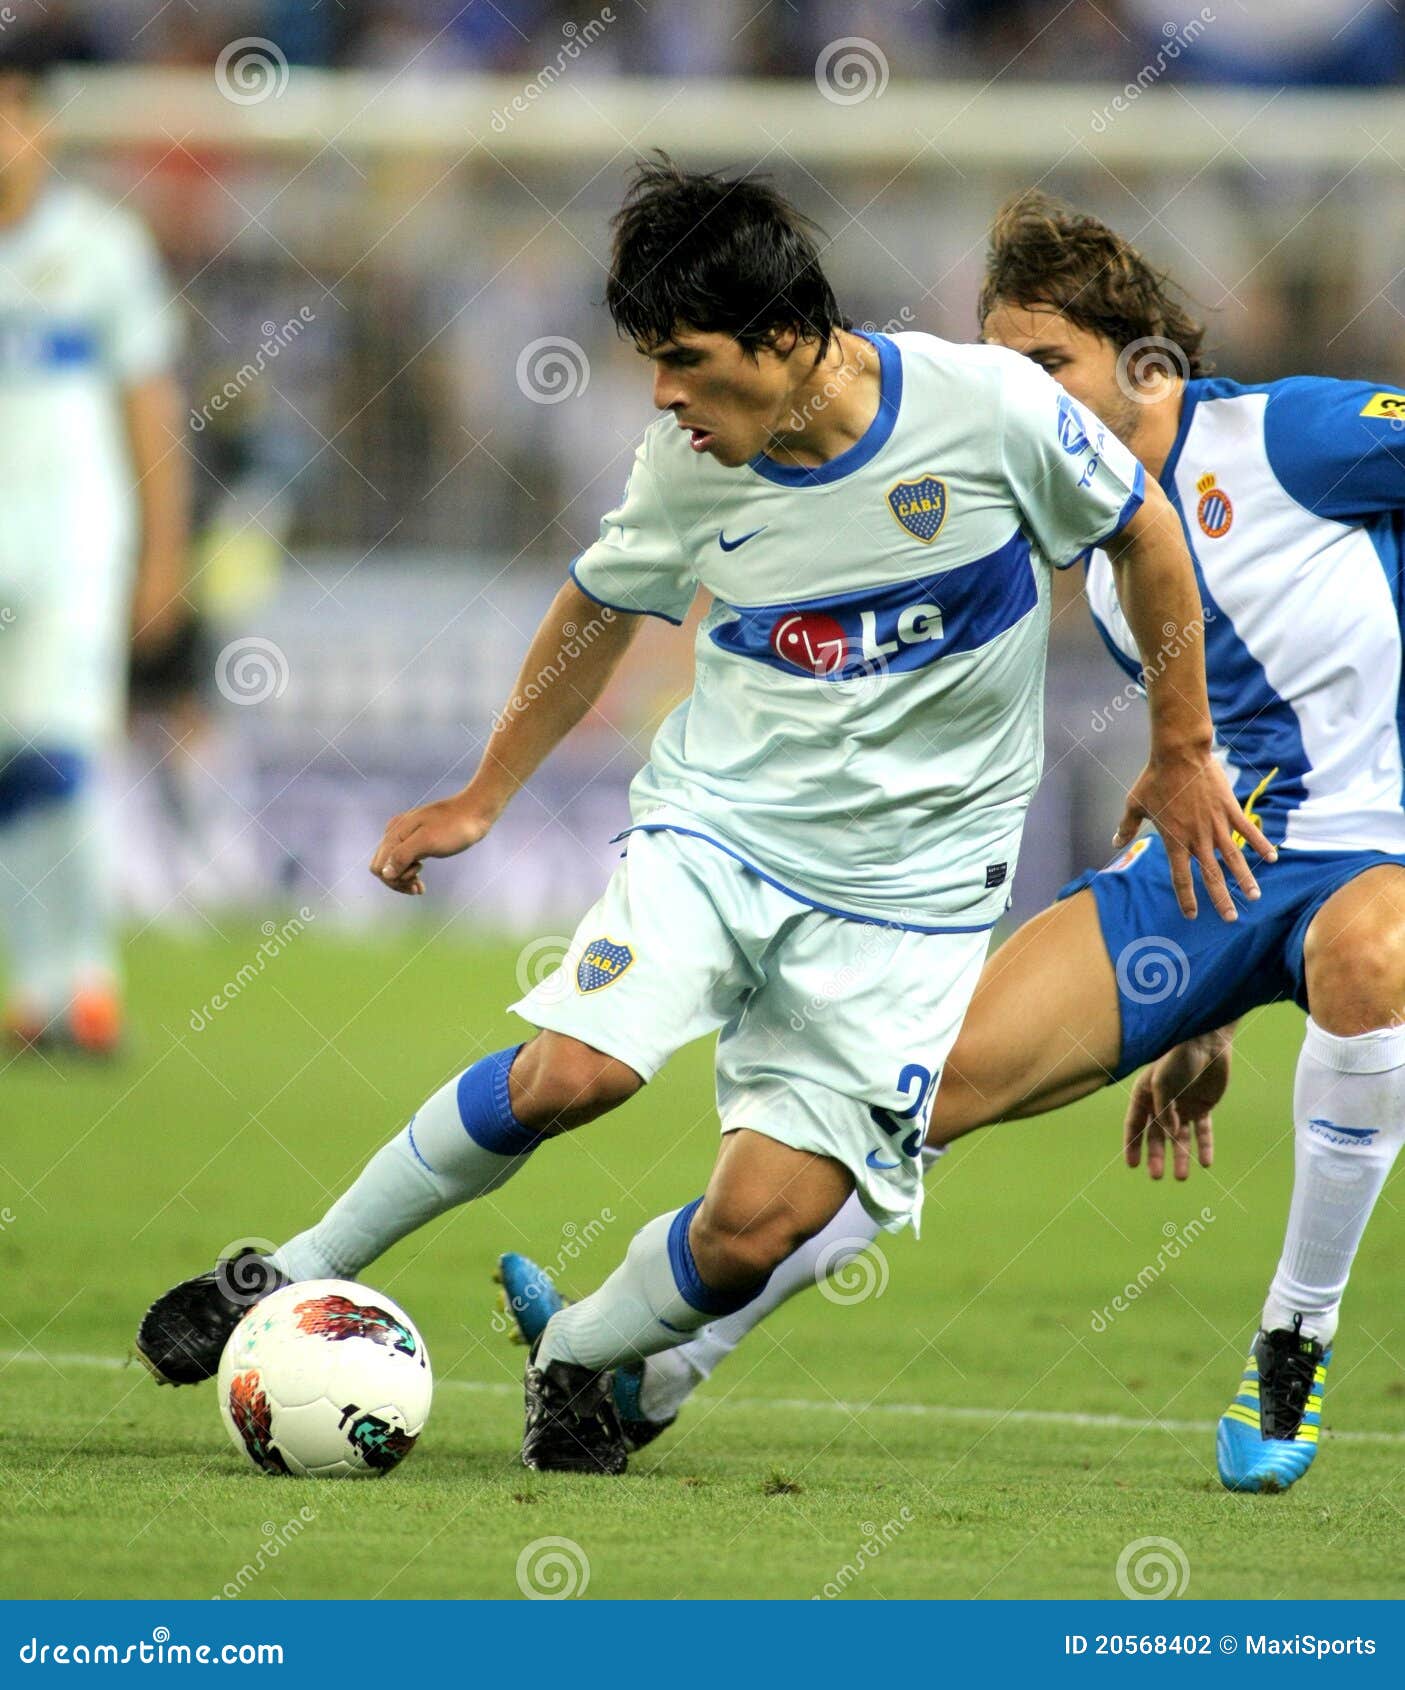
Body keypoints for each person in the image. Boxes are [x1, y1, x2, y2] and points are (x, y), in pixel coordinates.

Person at [135, 161, 1260, 1476]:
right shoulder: (686, 466)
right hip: (719, 833)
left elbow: (1149, 539)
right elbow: (600, 604)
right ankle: (292, 1267)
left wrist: (1183, 749)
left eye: (685, 359)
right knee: (575, 1069)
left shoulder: (988, 412)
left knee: (756, 1227)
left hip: (913, 901)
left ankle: (577, 1356)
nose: (663, 394)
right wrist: (481, 794)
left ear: (784, 338)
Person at [507, 191, 1404, 1494]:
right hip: (1211, 878)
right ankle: (647, 1367)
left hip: (1377, 859)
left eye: (1048, 362)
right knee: (903, 1103)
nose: (1021, 391)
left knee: (1372, 953)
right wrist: (1205, 1010)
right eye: (1001, 366)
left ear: (1140, 355)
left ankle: (1292, 1343)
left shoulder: (1295, 436)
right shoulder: (1094, 540)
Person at [0, 30, 188, 1053]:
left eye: (13, 110)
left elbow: (152, 410)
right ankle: (37, 994)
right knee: (9, 771)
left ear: (43, 125)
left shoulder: (101, 247)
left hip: (74, 549)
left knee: (58, 752)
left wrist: (164, 555)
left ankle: (87, 987)